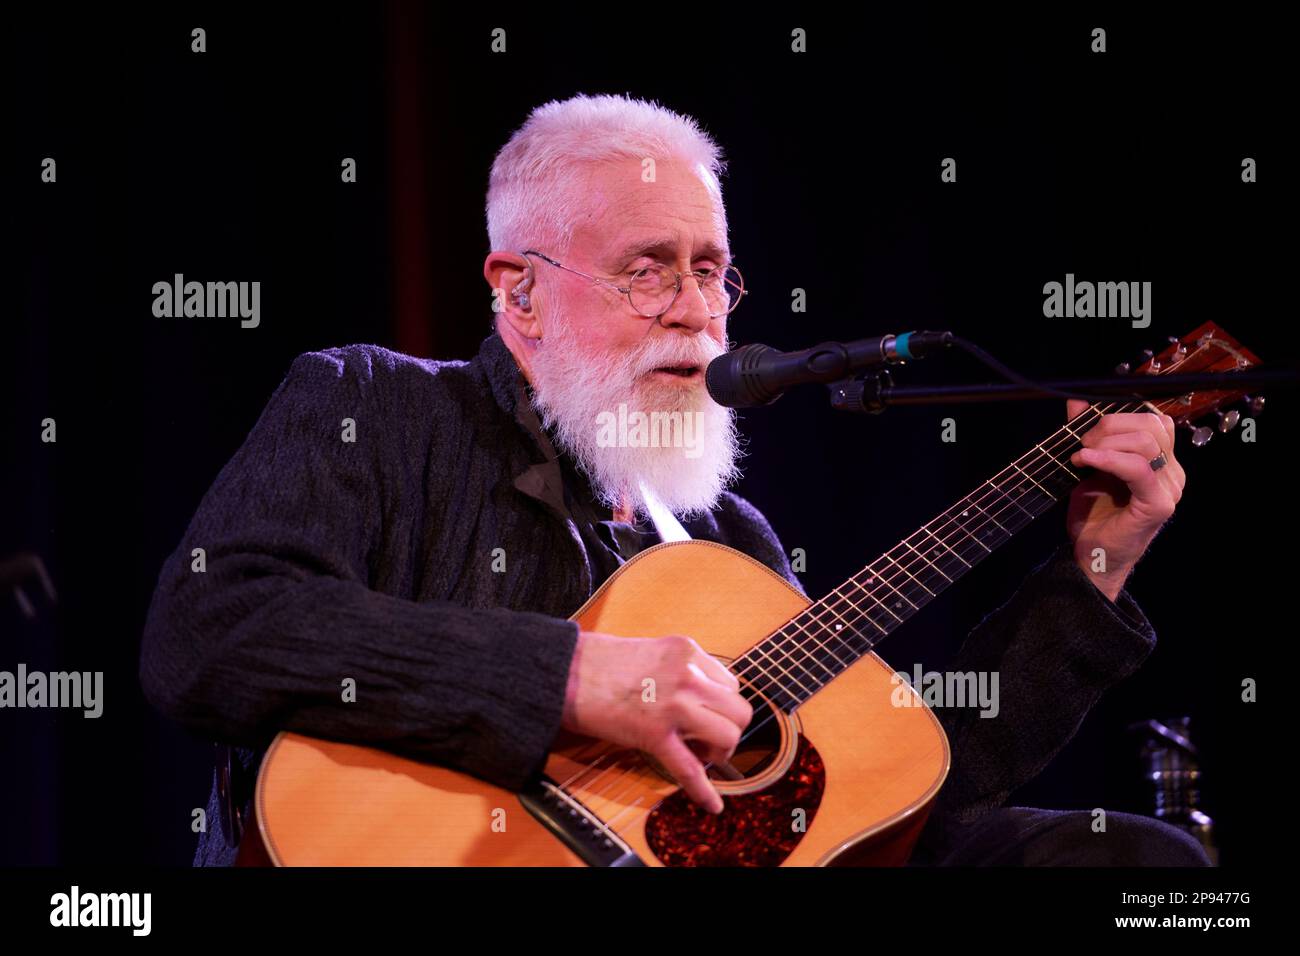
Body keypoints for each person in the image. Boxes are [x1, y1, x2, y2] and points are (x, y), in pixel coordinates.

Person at [140, 93, 1208, 866]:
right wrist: (567, 677)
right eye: (647, 269)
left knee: (1131, 866)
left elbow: (893, 794)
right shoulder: (375, 404)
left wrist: (1094, 566)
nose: (695, 308)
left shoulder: (723, 543)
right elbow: (212, 628)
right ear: (519, 296)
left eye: (712, 270)